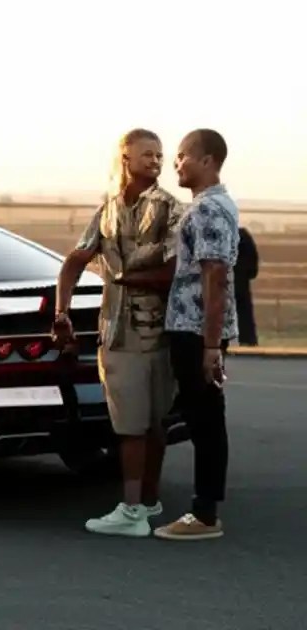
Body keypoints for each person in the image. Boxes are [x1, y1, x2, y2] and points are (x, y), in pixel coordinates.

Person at [53, 129, 184, 537]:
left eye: (161, 154)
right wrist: (63, 311)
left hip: (158, 332)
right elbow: (75, 260)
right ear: (124, 157)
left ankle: (143, 504)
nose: (156, 160)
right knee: (128, 423)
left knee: (154, 423)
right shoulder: (107, 210)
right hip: (116, 334)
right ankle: (134, 508)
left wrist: (126, 277)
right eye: (147, 153)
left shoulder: (171, 209)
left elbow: (176, 270)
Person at [155, 129, 240, 541]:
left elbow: (215, 275)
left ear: (208, 160)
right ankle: (203, 508)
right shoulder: (211, 205)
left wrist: (210, 346)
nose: (177, 163)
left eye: (184, 155)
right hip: (191, 328)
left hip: (196, 330)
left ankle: (204, 515)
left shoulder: (208, 210)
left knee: (206, 420)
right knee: (200, 416)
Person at [235, 227, 259, 345]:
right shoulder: (242, 235)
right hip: (240, 285)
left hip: (218, 285)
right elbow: (253, 268)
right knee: (245, 320)